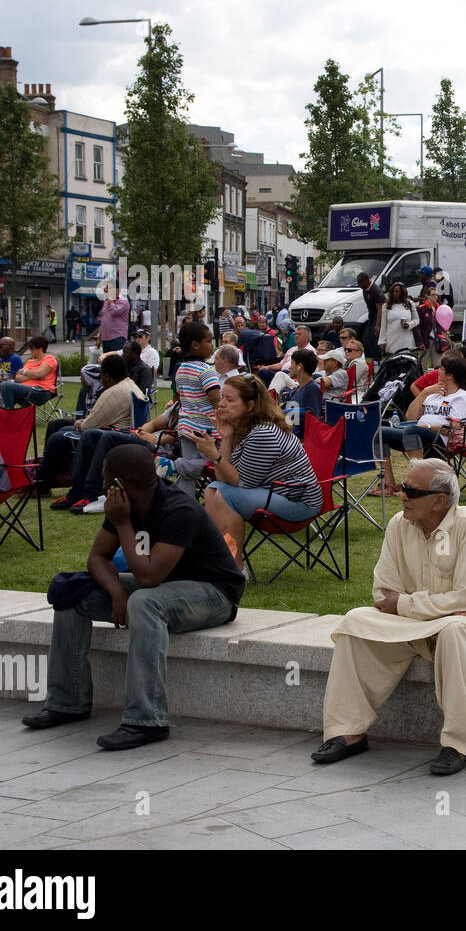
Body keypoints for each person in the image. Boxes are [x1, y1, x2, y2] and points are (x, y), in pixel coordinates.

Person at [22, 443, 246, 749]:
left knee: (144, 601)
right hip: (164, 588)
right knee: (72, 591)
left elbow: (149, 577)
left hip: (214, 593)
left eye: (104, 477)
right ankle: (67, 701)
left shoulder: (177, 510)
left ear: (119, 484)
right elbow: (97, 558)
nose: (101, 484)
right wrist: (115, 591)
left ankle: (147, 720)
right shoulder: (125, 504)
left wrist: (123, 523)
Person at [311, 458, 466, 774]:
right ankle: (347, 732)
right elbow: (382, 593)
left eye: (410, 490)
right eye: (402, 487)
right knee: (355, 621)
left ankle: (460, 745)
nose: (401, 494)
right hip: (422, 620)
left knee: (455, 630)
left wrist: (406, 605)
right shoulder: (398, 524)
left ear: (439, 501)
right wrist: (424, 607)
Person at [195, 375, 323, 568]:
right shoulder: (246, 429)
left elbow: (241, 484)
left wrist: (214, 454)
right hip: (275, 493)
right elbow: (223, 478)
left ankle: (233, 569)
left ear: (250, 405)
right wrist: (227, 438)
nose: (221, 404)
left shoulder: (263, 432)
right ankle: (220, 562)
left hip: (299, 502)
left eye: (229, 400)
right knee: (212, 489)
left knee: (223, 496)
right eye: (222, 397)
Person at [36, 354, 142, 493]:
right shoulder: (130, 384)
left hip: (112, 434)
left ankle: (43, 485)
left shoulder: (112, 393)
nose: (101, 379)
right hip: (119, 431)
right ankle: (50, 476)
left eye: (102, 375)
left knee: (57, 438)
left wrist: (80, 423)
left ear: (108, 376)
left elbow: (88, 426)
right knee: (57, 425)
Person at [171, 321, 222, 497]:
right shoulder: (206, 370)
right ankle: (172, 466)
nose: (212, 345)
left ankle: (182, 505)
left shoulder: (181, 369)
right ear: (195, 345)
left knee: (189, 472)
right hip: (206, 429)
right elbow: (216, 400)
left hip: (185, 427)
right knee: (214, 462)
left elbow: (181, 396)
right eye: (209, 341)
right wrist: (223, 421)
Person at [0, 336, 58, 409]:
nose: (30, 350)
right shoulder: (30, 362)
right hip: (26, 390)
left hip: (41, 391)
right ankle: (7, 414)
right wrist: (34, 375)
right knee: (2, 386)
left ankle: (8, 414)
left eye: (31, 348)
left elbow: (39, 374)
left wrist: (24, 371)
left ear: (40, 348)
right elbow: (17, 378)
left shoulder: (49, 359)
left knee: (6, 386)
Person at [281, 349, 323, 437]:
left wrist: (286, 412)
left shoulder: (313, 388)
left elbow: (312, 416)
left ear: (300, 366)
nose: (289, 367)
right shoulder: (297, 389)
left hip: (297, 437)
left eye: (292, 363)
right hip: (287, 431)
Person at [378, 281, 417, 358]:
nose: (394, 293)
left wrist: (409, 324)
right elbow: (383, 325)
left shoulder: (410, 304)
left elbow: (416, 319)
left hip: (406, 341)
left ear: (402, 293)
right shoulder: (386, 306)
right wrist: (382, 341)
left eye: (397, 292)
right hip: (391, 341)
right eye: (393, 291)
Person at [355, 272, 384, 359]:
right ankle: (372, 358)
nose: (359, 285)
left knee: (374, 337)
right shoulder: (365, 289)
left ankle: (377, 358)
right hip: (372, 315)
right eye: (358, 283)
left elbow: (380, 309)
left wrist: (378, 325)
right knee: (367, 338)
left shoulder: (375, 290)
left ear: (367, 280)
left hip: (378, 315)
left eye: (360, 283)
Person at [96, 283, 131, 353]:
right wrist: (100, 337)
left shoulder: (123, 302)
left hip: (117, 337)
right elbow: (104, 320)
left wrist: (111, 301)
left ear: (117, 290)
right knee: (106, 361)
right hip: (105, 338)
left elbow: (114, 312)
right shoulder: (106, 302)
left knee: (116, 361)